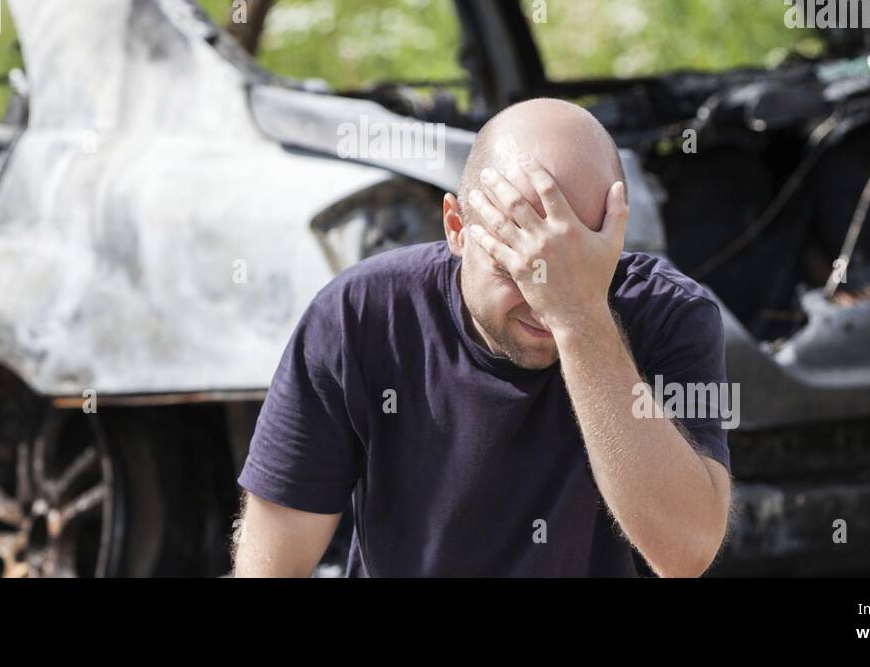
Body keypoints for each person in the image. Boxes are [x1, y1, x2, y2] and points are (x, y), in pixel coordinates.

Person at [233, 97, 732, 576]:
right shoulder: (362, 314)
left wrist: (581, 317)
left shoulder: (670, 314)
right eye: (516, 266)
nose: (544, 297)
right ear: (456, 227)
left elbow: (685, 552)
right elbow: (274, 563)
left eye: (575, 262)